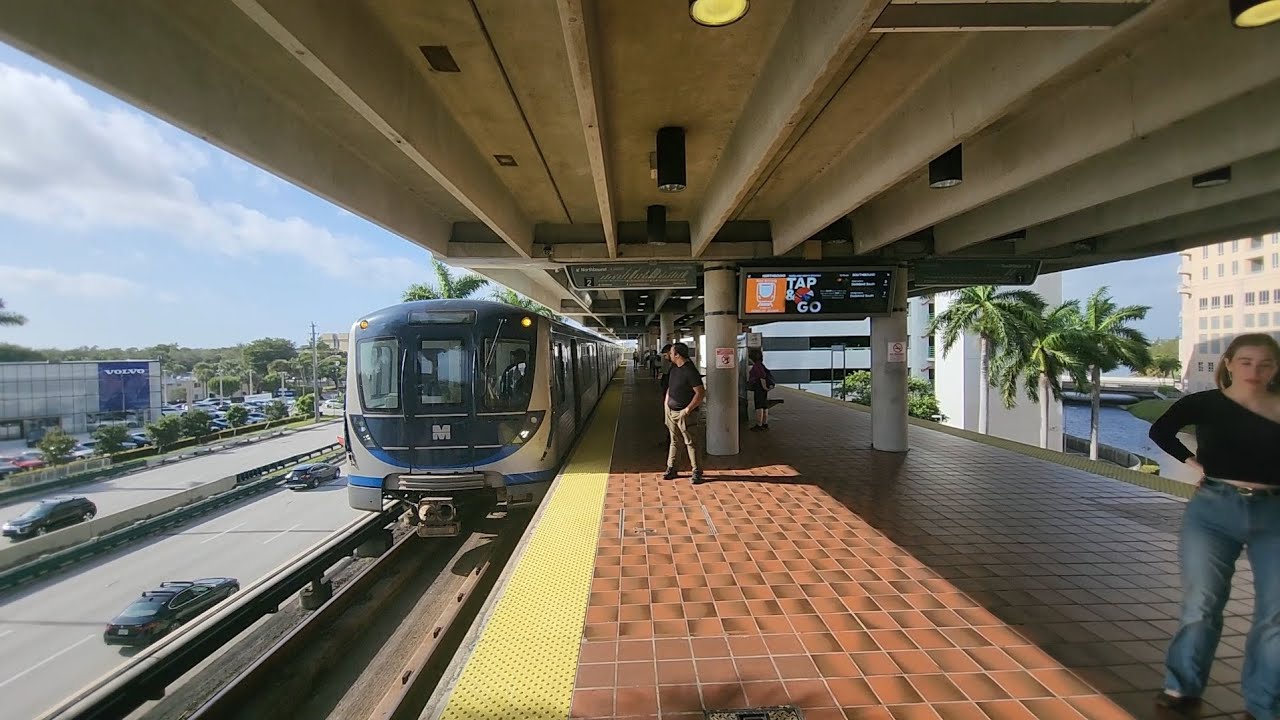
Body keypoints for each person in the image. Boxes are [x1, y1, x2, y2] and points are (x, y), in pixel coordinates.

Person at [1147, 333, 1280, 720]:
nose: (1255, 370)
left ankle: (1265, 704)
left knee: (1275, 615)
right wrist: (1194, 463)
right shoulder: (1205, 404)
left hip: (1274, 513)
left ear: (1276, 367)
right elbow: (1161, 430)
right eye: (1246, 361)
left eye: (1265, 363)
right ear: (1229, 363)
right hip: (1214, 511)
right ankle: (1182, 685)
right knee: (1202, 604)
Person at [663, 342, 704, 484]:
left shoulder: (690, 371)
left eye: (671, 352)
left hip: (684, 414)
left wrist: (687, 410)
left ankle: (697, 471)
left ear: (677, 354)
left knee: (691, 443)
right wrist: (666, 404)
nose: (669, 355)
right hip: (671, 411)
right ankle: (672, 468)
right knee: (674, 441)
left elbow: (700, 393)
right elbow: (670, 388)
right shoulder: (674, 369)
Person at [746, 347, 774, 431]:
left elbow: (762, 377)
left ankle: (759, 425)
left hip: (759, 388)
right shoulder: (761, 364)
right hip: (762, 388)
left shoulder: (757, 366)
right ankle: (765, 423)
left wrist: (764, 387)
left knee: (759, 406)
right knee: (764, 406)